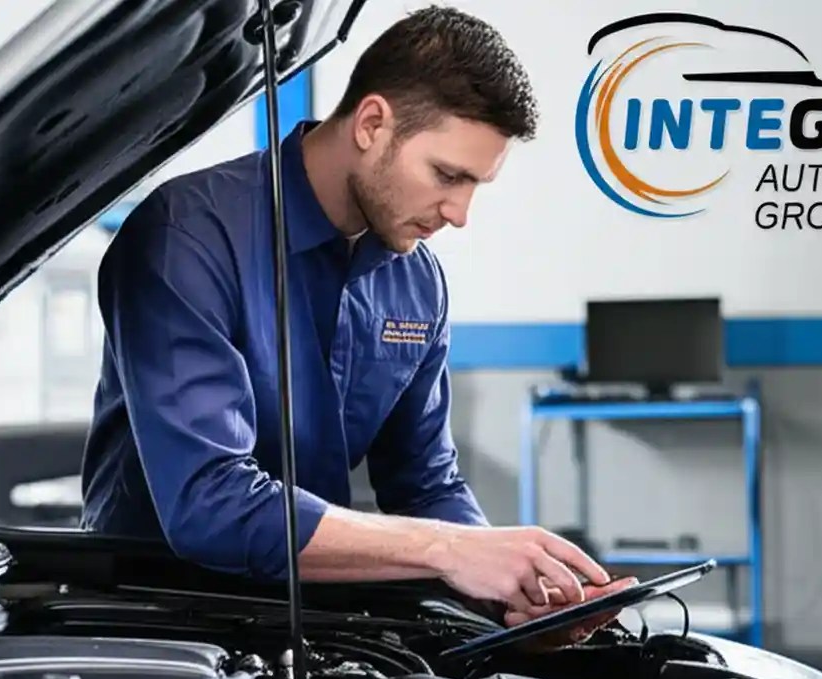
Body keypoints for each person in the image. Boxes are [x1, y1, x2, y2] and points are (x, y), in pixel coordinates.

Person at [80, 6, 633, 633]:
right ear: (372, 123)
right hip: (147, 624)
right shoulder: (186, 237)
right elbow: (210, 505)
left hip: (314, 621)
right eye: (447, 175)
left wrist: (512, 600)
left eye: (476, 185)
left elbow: (425, 486)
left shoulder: (417, 283)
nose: (459, 213)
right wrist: (448, 551)